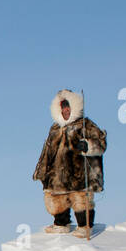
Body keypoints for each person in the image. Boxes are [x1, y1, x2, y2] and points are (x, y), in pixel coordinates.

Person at [34, 89, 107, 238]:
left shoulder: (85, 125)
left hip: (79, 173)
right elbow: (47, 151)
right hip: (57, 175)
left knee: (81, 200)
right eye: (63, 106)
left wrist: (89, 145)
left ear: (74, 106)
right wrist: (41, 170)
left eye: (68, 106)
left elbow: (101, 142)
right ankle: (60, 225)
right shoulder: (54, 129)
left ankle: (84, 227)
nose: (65, 110)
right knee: (56, 200)